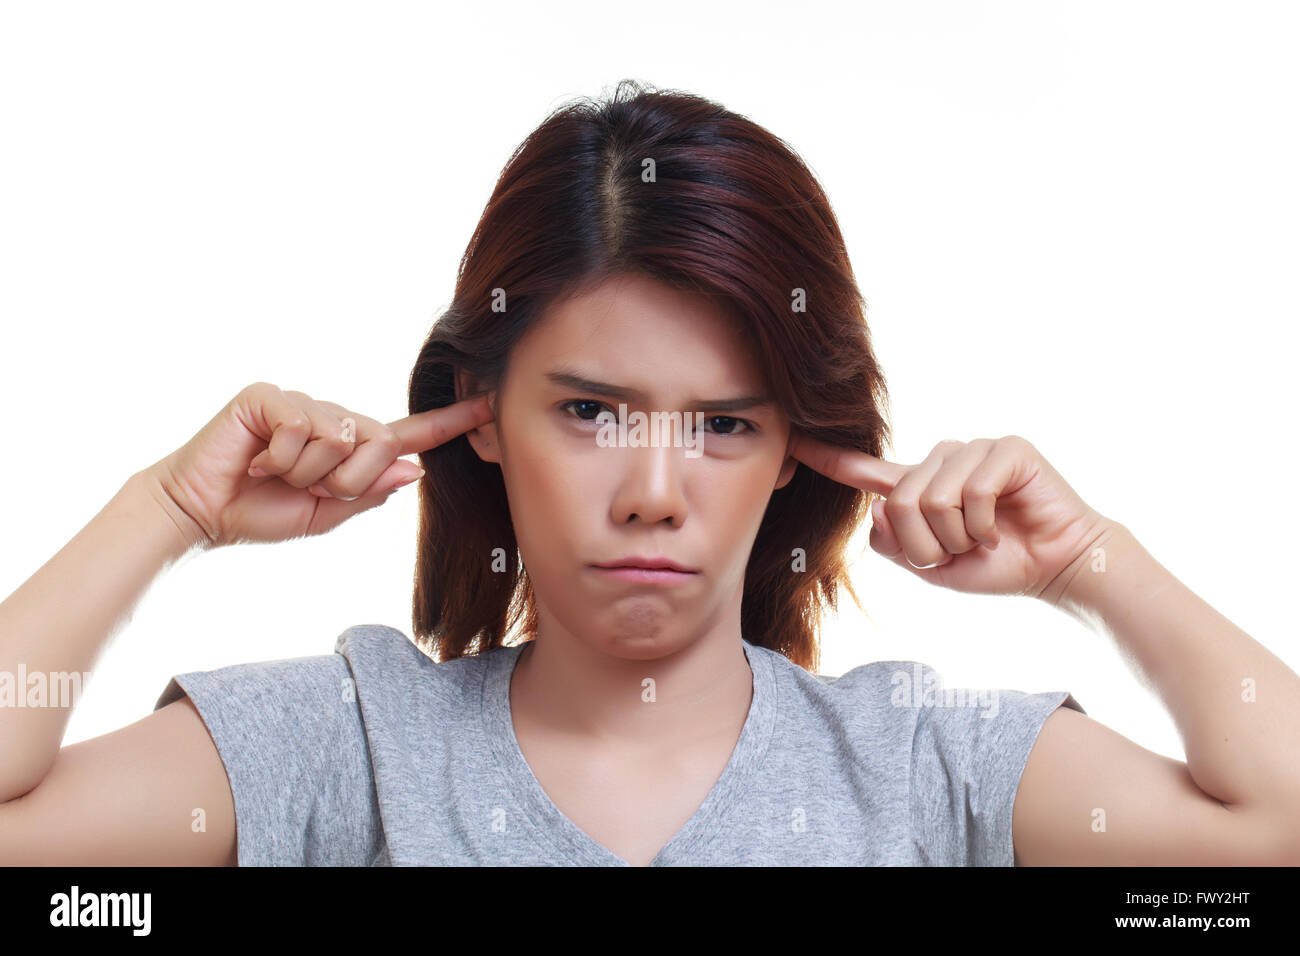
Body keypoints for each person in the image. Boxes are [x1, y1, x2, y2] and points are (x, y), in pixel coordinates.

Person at [2, 80, 1296, 867]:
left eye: (725, 425)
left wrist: (1088, 564)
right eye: (591, 410)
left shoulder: (918, 763)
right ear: (482, 414)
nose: (655, 492)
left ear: (799, 447)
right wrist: (165, 509)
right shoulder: (352, 747)